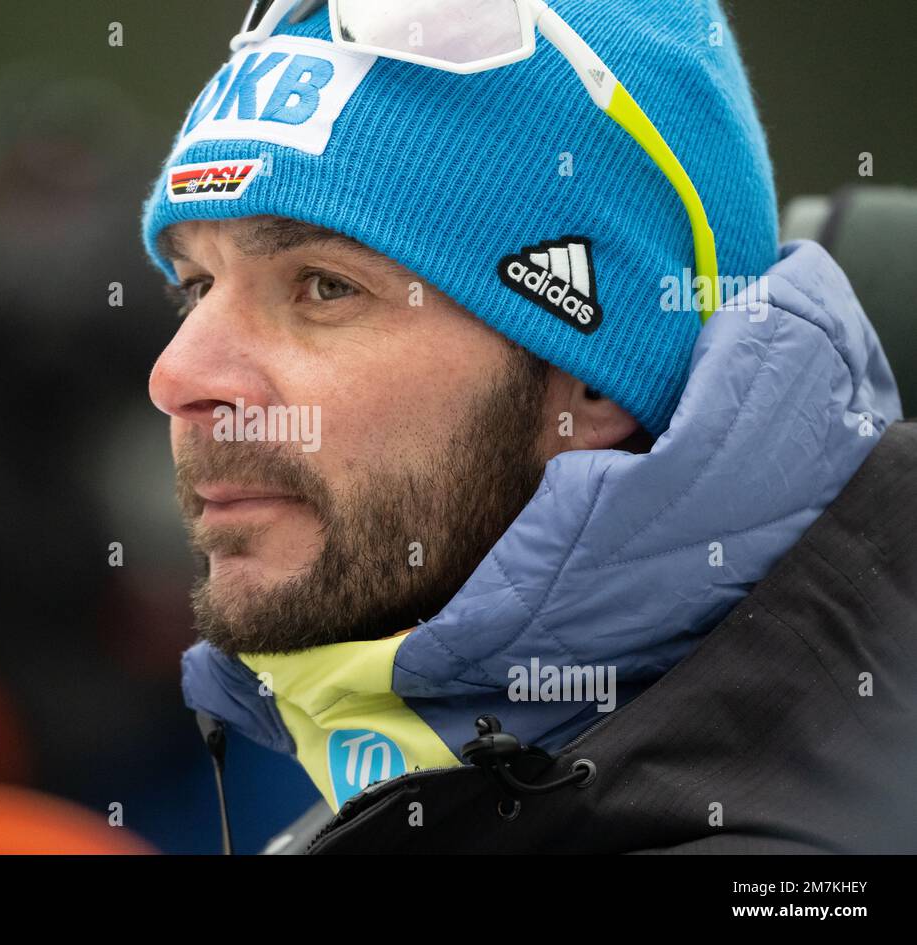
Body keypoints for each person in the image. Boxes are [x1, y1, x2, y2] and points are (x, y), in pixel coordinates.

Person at [139, 0, 916, 853]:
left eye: (325, 286)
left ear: (588, 378)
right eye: (196, 286)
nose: (177, 377)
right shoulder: (416, 784)